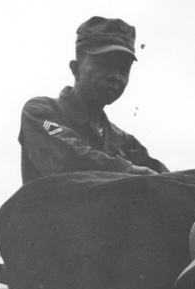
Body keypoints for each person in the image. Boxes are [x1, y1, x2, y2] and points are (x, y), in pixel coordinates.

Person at [18, 16, 168, 184]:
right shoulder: (41, 113)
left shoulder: (123, 141)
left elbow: (166, 176)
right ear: (76, 70)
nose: (115, 77)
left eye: (124, 69)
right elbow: (68, 154)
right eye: (104, 64)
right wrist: (128, 170)